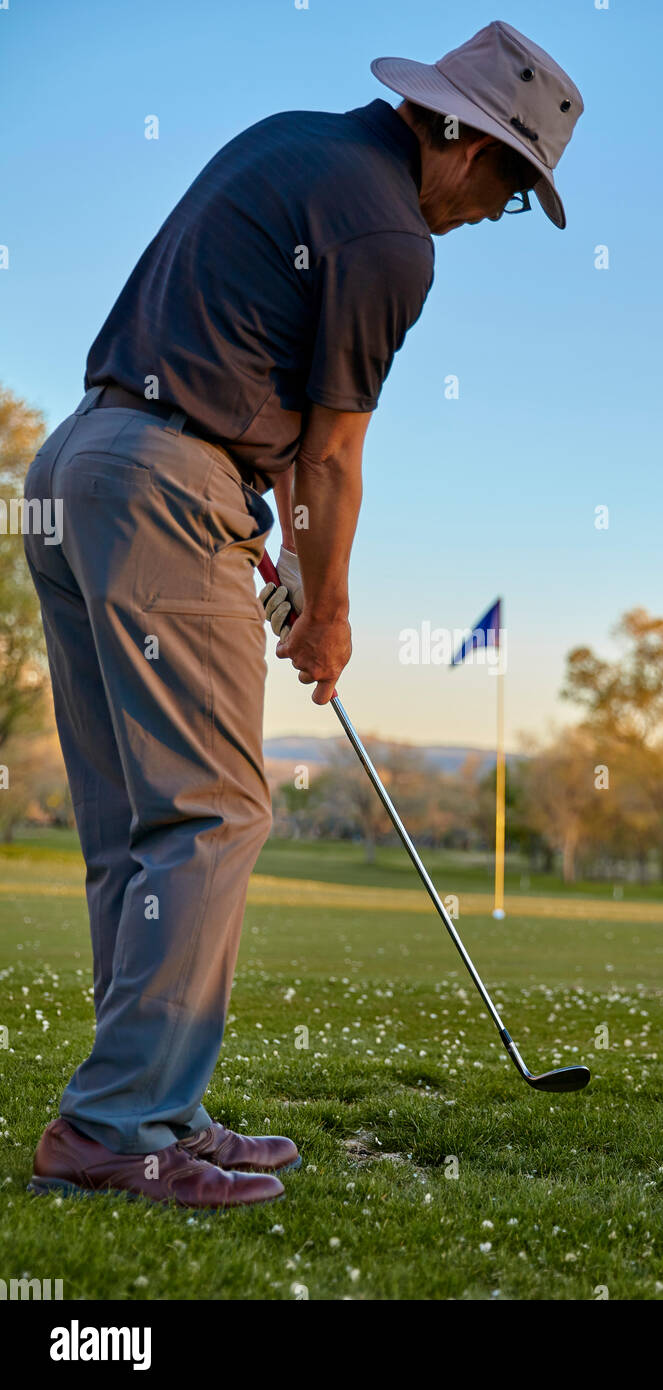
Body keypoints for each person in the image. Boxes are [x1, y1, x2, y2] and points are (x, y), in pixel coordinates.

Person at [23, 20, 583, 1208]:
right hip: (164, 484)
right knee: (214, 813)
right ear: (458, 137)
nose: (496, 215)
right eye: (509, 186)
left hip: (78, 466)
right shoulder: (390, 235)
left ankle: (156, 1106)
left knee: (139, 825)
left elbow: (243, 381)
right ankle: (116, 1127)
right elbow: (330, 459)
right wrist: (325, 615)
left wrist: (256, 535)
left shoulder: (294, 144)